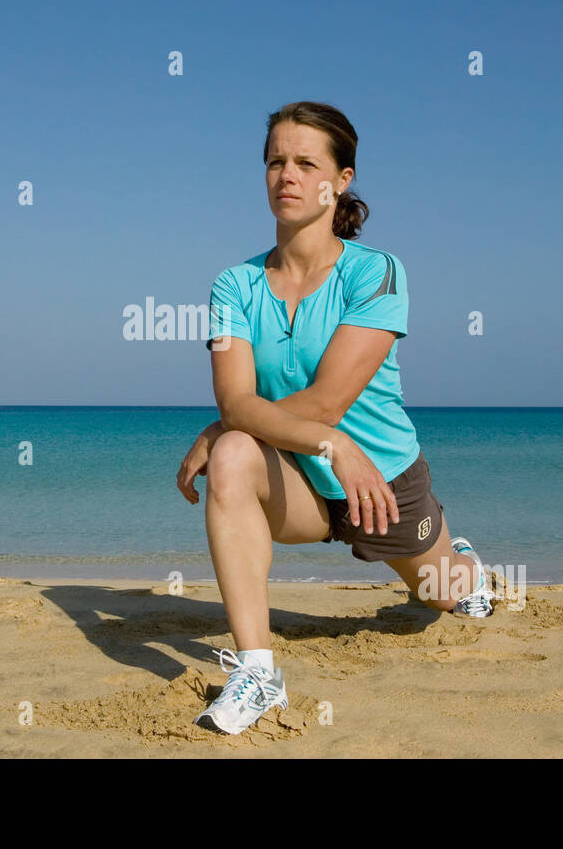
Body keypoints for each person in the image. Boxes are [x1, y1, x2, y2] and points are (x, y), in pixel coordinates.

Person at [175, 101, 497, 736]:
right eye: (275, 161)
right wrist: (239, 430)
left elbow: (328, 401)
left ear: (341, 179)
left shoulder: (376, 272)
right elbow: (236, 405)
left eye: (305, 163)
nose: (286, 176)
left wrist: (227, 430)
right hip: (297, 477)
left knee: (443, 597)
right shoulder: (233, 286)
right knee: (236, 456)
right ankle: (258, 671)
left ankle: (460, 557)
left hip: (380, 480)